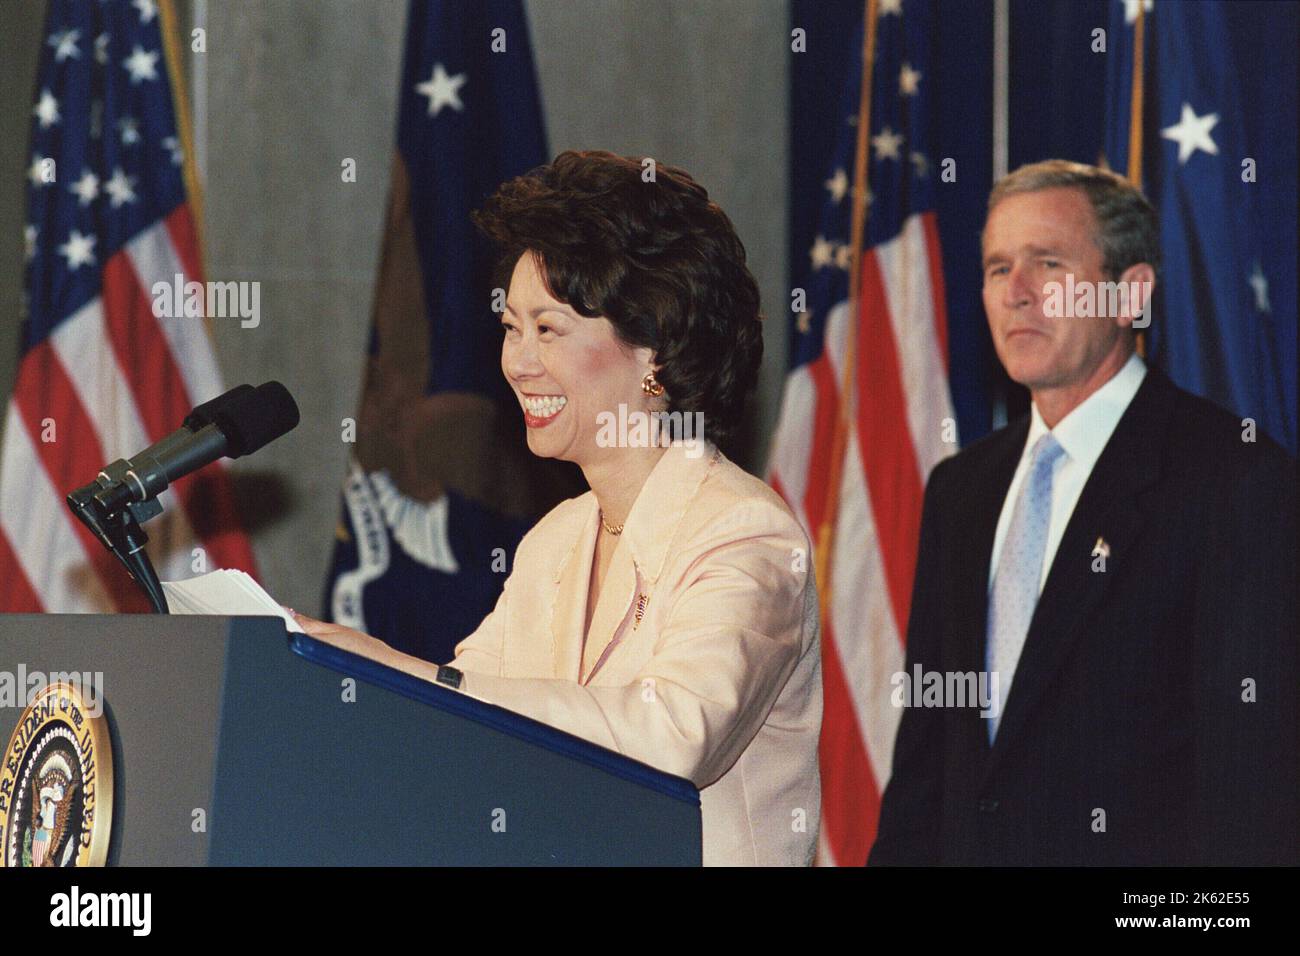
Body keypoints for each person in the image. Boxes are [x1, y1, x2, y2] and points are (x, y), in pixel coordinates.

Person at [294, 150, 823, 866]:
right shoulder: (557, 539)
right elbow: (458, 725)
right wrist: (324, 668)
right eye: (512, 328)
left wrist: (394, 666)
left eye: (548, 329)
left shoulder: (744, 535)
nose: (516, 363)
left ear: (655, 352)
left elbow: (671, 739)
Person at [869, 159, 1298, 866]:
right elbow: (928, 761)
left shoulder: (1234, 480)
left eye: (1048, 263)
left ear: (1131, 294)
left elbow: (1253, 790)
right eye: (997, 268)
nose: (1018, 293)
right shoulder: (961, 490)